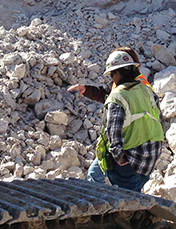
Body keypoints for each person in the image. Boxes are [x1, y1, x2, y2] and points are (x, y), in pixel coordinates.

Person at [84, 49, 165, 192]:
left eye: (111, 75)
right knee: (134, 191)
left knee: (130, 199)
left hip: (130, 159)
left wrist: (118, 155)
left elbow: (113, 131)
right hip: (150, 155)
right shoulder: (147, 90)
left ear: (118, 73)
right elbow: (158, 117)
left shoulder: (118, 97)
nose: (112, 79)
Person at [68, 46, 152, 103]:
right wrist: (86, 89)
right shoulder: (121, 81)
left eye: (113, 72)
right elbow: (105, 94)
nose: (112, 76)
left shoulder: (139, 86)